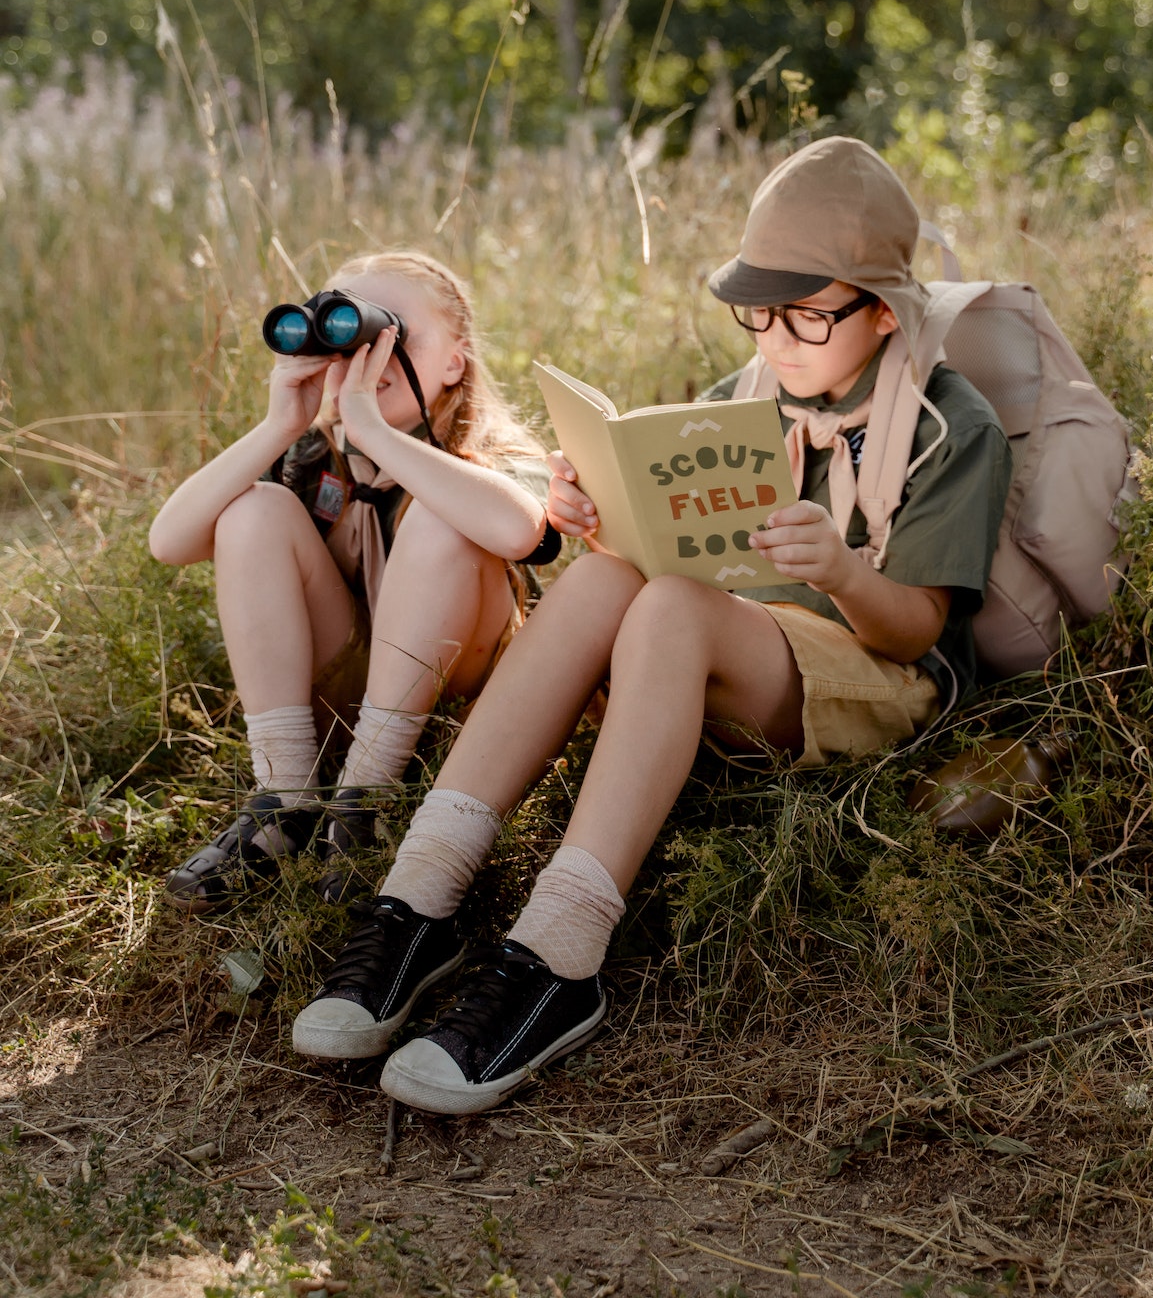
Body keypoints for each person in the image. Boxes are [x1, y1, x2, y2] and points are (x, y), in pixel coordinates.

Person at [290, 140, 1012, 1094]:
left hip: (864, 678)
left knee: (671, 607)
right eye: (756, 313)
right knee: (602, 583)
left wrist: (839, 570)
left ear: (883, 308)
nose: (775, 340)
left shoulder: (949, 427)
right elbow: (668, 555)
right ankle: (418, 897)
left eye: (806, 315)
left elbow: (914, 635)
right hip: (726, 655)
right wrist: (595, 519)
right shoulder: (745, 400)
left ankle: (560, 954)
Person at [150, 249, 556, 912]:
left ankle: (364, 803)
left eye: (392, 335)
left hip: (459, 705)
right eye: (341, 331)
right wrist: (283, 421)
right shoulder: (313, 458)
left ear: (455, 361)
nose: (365, 356)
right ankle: (287, 798)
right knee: (253, 508)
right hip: (345, 701)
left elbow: (518, 533)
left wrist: (371, 424)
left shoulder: (492, 458)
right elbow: (169, 543)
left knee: (441, 521)